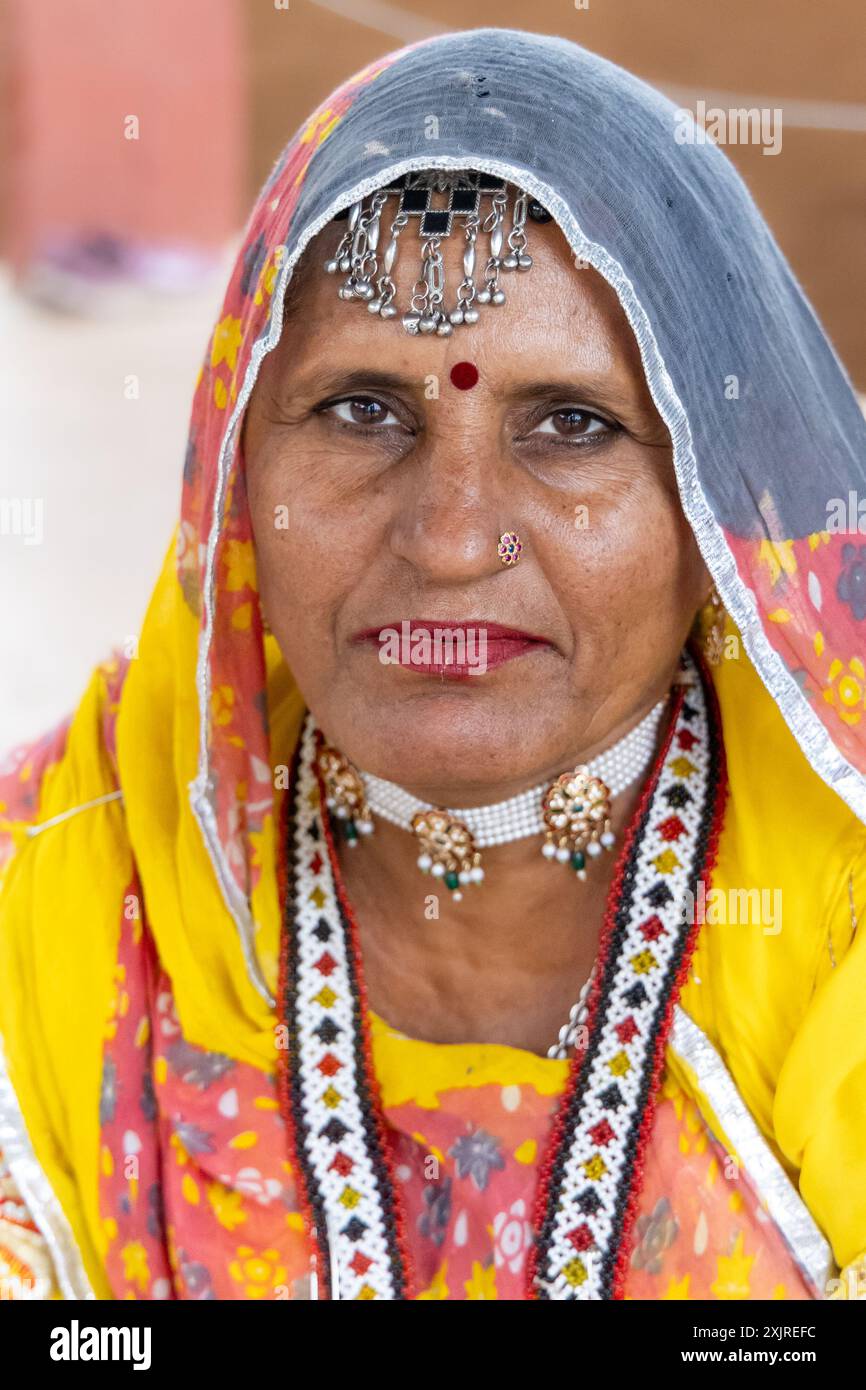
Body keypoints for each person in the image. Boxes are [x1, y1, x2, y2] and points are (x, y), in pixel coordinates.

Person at [2, 27, 865, 1302]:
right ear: (236, 461)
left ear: (709, 499)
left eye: (570, 426)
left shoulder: (832, 916)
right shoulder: (71, 884)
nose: (452, 539)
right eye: (363, 411)